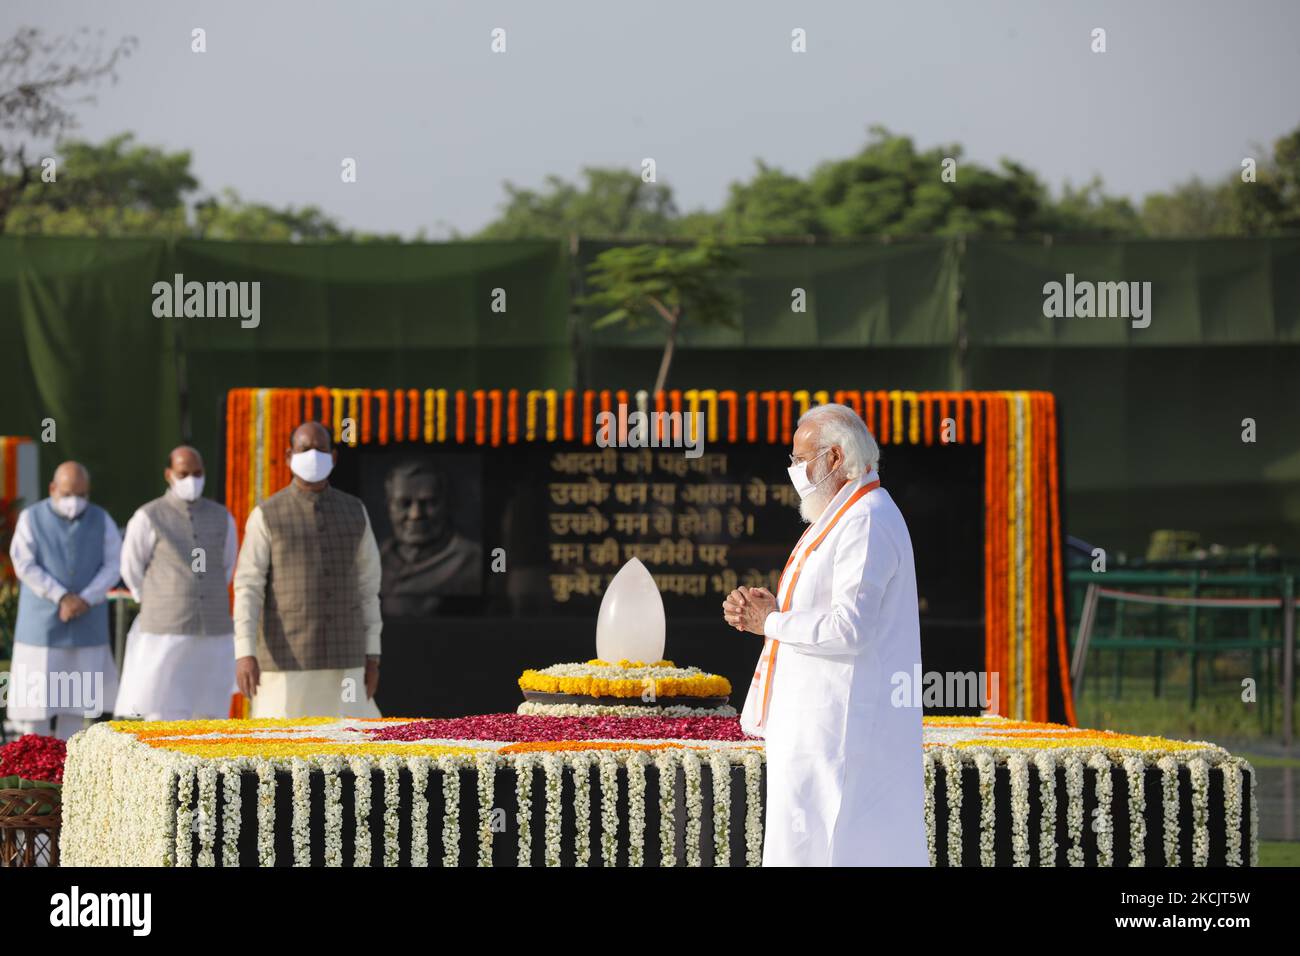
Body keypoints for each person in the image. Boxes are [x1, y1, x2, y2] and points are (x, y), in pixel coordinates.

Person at [723, 403, 928, 866]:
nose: (794, 470)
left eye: (800, 458)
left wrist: (770, 624)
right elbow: (827, 614)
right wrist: (773, 612)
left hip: (840, 730)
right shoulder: (840, 516)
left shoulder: (867, 518)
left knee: (834, 849)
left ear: (835, 458)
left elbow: (850, 627)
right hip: (813, 726)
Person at [233, 421, 382, 718]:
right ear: (289, 455)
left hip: (347, 656)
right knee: (283, 753)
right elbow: (248, 586)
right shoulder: (267, 514)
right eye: (305, 449)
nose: (313, 455)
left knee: (351, 750)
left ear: (334, 457)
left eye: (320, 449)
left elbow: (369, 586)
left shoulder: (355, 510)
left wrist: (373, 653)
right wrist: (245, 652)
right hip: (285, 661)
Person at [114, 446, 238, 720]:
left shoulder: (223, 517)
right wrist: (158, 599)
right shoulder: (148, 515)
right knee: (161, 711)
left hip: (213, 631)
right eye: (184, 473)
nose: (191, 480)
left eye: (197, 473)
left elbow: (227, 565)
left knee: (210, 713)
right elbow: (131, 567)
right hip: (165, 629)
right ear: (169, 474)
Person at [7, 462, 121, 739]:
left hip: (86, 624)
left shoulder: (100, 518)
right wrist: (61, 596)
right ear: (53, 489)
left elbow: (114, 564)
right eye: (69, 493)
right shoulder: (31, 518)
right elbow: (24, 563)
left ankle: (66, 776)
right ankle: (32, 776)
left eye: (82, 495)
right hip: (41, 628)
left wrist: (84, 598)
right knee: (34, 708)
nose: (76, 502)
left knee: (76, 706)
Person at [379, 459, 481, 617]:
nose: (416, 515)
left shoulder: (473, 560)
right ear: (389, 507)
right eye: (404, 504)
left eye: (430, 502)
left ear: (446, 504)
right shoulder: (374, 558)